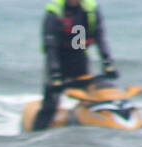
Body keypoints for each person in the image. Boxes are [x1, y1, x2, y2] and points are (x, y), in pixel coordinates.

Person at [32, 0, 119, 131]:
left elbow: (100, 37)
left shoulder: (90, 8)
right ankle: (37, 133)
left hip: (79, 58)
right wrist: (55, 73)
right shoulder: (55, 10)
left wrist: (107, 63)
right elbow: (50, 46)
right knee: (50, 104)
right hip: (58, 59)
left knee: (91, 98)